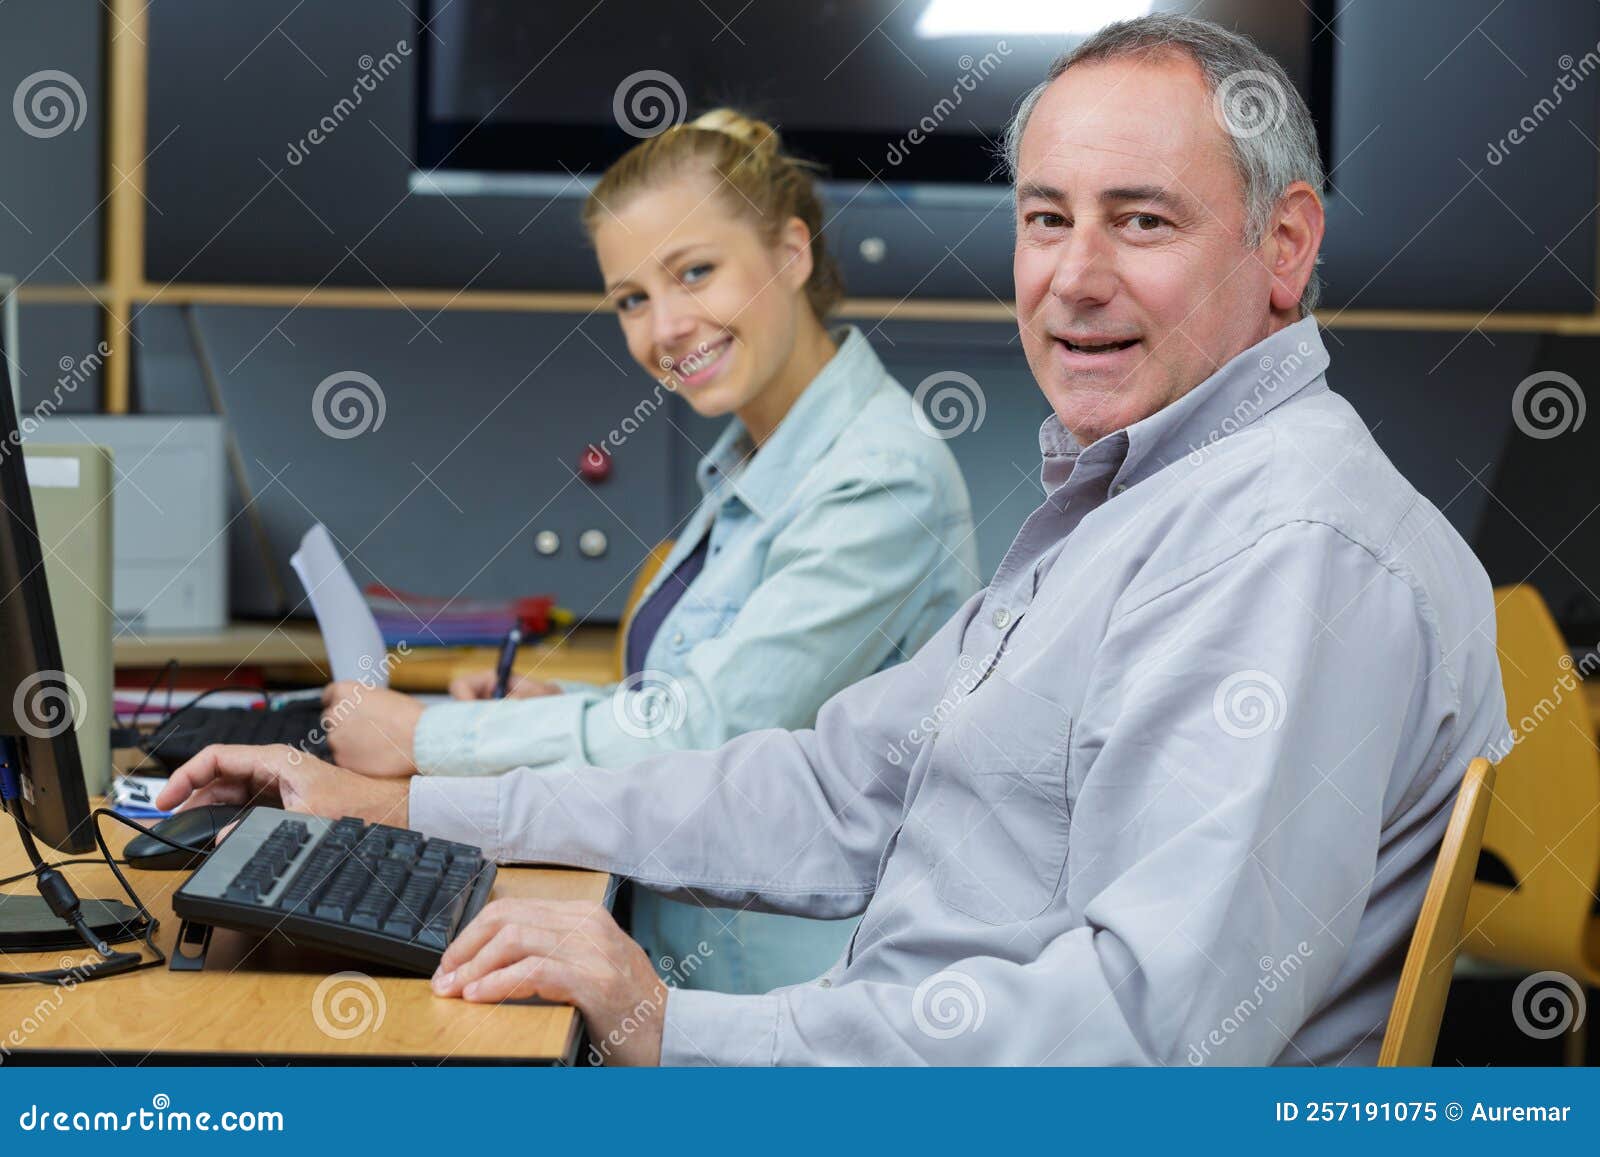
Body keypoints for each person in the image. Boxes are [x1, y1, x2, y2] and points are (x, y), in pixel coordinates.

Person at [158, 14, 1509, 1066]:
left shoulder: (1288, 550)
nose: (1073, 278)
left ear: (1286, 245)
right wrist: (406, 808)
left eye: (1141, 220)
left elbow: (1143, 1036)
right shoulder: (1139, 502)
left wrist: (674, 1026)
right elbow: (831, 786)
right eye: (1046, 219)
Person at [312, 108, 978, 995]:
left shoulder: (880, 477)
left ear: (790, 252)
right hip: (686, 957)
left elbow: (707, 731)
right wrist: (554, 711)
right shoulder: (753, 458)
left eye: (695, 272)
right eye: (632, 299)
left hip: (786, 1000)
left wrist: (428, 736)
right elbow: (713, 701)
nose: (665, 326)